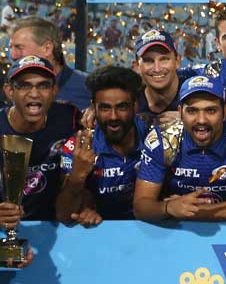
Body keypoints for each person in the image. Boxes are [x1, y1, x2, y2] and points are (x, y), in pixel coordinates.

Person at [132, 75, 226, 222]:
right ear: (180, 112)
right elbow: (140, 206)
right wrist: (167, 208)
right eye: (192, 111)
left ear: (225, 112)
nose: (201, 120)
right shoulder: (162, 140)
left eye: (211, 111)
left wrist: (190, 210)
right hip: (177, 235)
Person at [56, 66, 146, 225]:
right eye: (105, 107)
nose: (113, 117)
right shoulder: (78, 147)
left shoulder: (154, 138)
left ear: (135, 106)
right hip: (100, 235)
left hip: (150, 233)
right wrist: (77, 177)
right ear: (93, 107)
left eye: (122, 107)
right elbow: (64, 216)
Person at [0, 56, 80, 221]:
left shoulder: (68, 117)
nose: (34, 94)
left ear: (54, 91)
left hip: (54, 225)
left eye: (43, 85)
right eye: (24, 85)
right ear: (9, 91)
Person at [7, 16, 88, 110]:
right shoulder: (10, 88)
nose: (13, 56)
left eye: (19, 47)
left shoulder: (89, 89)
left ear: (47, 48)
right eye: (11, 47)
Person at [132, 28, 197, 124]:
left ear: (177, 61)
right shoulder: (130, 102)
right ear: (136, 66)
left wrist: (190, 120)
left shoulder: (197, 91)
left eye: (164, 59)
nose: (157, 69)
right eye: (149, 61)